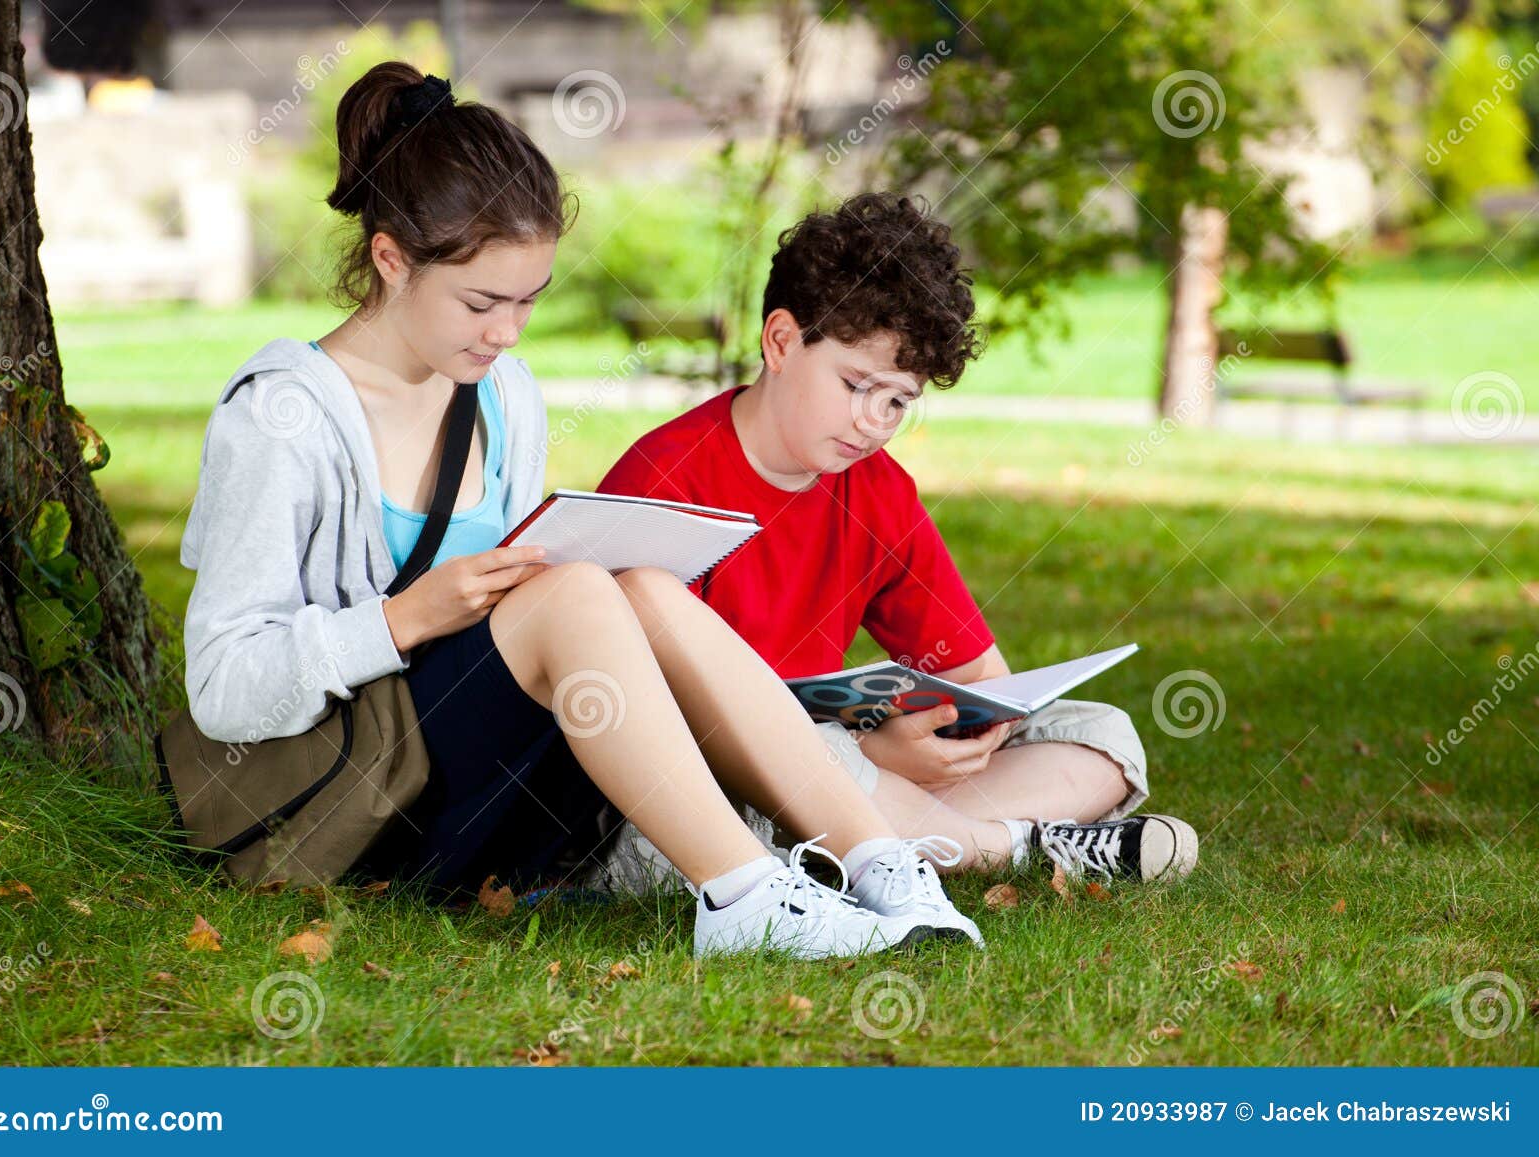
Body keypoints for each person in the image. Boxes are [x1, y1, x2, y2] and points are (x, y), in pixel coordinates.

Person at [178, 65, 982, 959]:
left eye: (529, 301)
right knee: (582, 596)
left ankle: (877, 863)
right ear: (390, 258)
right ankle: (746, 893)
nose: (507, 332)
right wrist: (407, 619)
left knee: (635, 585)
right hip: (358, 807)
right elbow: (221, 690)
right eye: (482, 302)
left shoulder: (502, 392)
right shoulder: (281, 416)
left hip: (499, 798)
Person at [598, 193, 1198, 886]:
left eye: (898, 401)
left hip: (849, 776)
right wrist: (869, 756)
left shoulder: (875, 488)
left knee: (1100, 736)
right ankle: (1010, 847)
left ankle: (883, 840)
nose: (873, 421)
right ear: (782, 342)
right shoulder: (667, 477)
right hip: (684, 803)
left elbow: (986, 683)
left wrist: (942, 738)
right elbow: (638, 725)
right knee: (821, 754)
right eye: (856, 384)